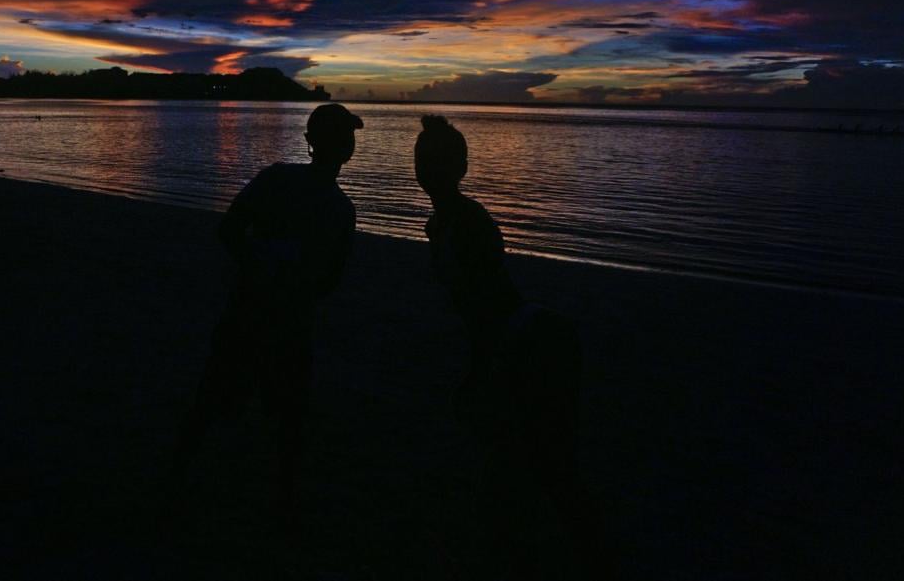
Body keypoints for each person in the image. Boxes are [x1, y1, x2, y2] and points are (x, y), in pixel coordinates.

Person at [413, 114, 613, 579]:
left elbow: (486, 305)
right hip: (512, 339)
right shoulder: (440, 222)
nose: (427, 167)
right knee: (524, 459)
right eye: (422, 158)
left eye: (439, 159)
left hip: (532, 342)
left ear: (460, 167)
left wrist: (483, 365)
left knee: (547, 462)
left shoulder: (467, 223)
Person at [171, 103, 364, 527]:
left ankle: (182, 479)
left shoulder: (291, 185)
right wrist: (278, 275)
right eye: (342, 135)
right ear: (320, 143)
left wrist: (262, 268)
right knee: (277, 416)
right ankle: (278, 501)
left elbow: (230, 232)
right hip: (273, 319)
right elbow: (328, 280)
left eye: (347, 136)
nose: (346, 143)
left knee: (229, 405)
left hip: (259, 314)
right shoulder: (332, 206)